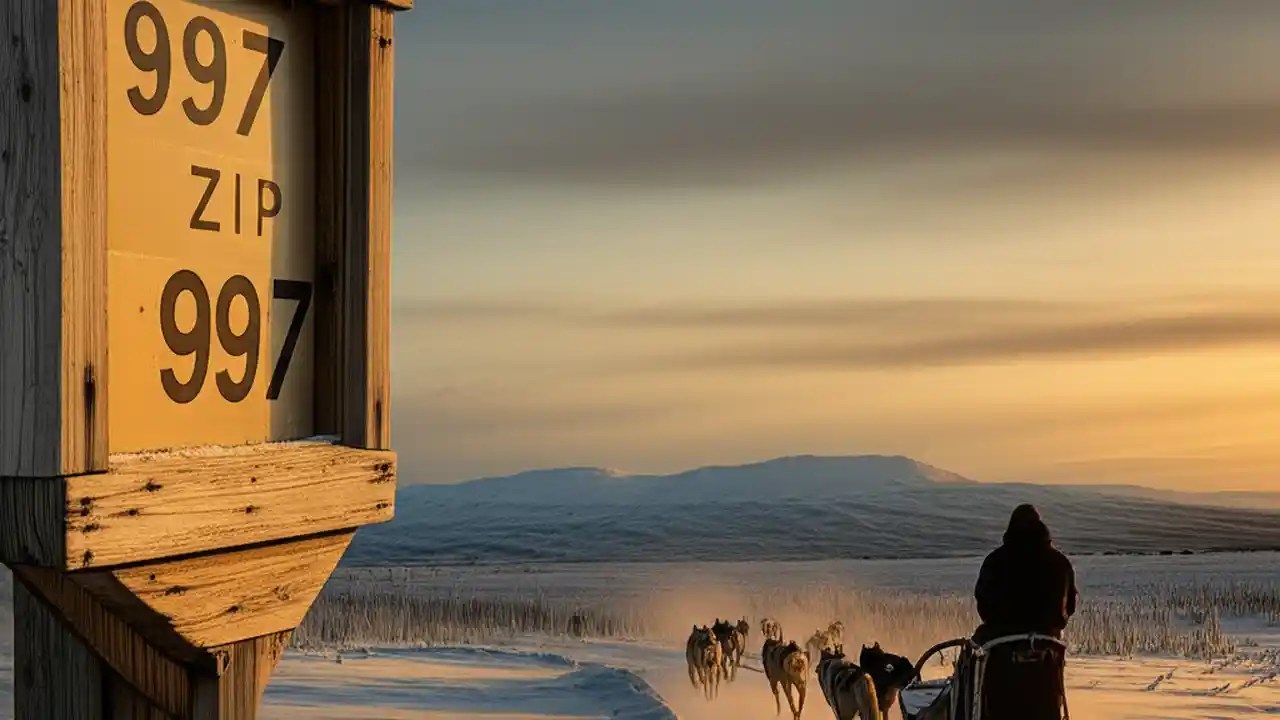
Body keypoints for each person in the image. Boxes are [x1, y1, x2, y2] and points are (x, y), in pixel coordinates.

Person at [971, 503, 1078, 720]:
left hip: (998, 650)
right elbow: (1069, 608)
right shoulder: (1060, 563)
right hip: (1047, 648)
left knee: (972, 656)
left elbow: (983, 602)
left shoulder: (995, 561)